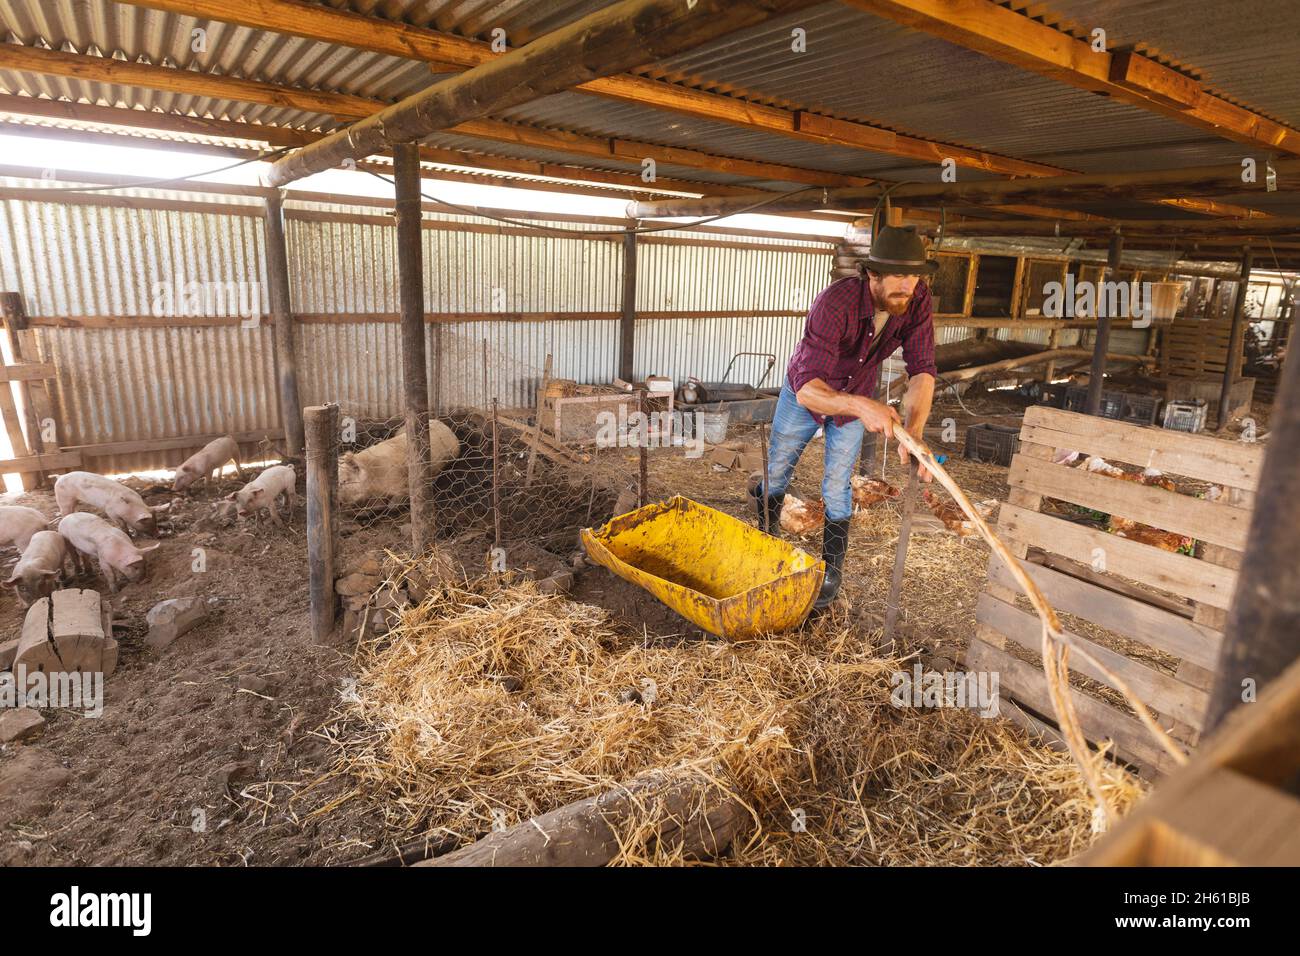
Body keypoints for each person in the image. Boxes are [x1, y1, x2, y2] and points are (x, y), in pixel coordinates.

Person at [749, 225, 938, 613]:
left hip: (857, 395)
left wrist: (914, 434)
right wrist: (861, 406)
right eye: (900, 277)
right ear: (873, 274)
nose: (909, 285)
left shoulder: (917, 299)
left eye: (915, 275)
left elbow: (922, 370)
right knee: (779, 469)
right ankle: (764, 541)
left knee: (837, 483)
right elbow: (807, 390)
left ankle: (830, 573)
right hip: (808, 393)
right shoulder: (835, 303)